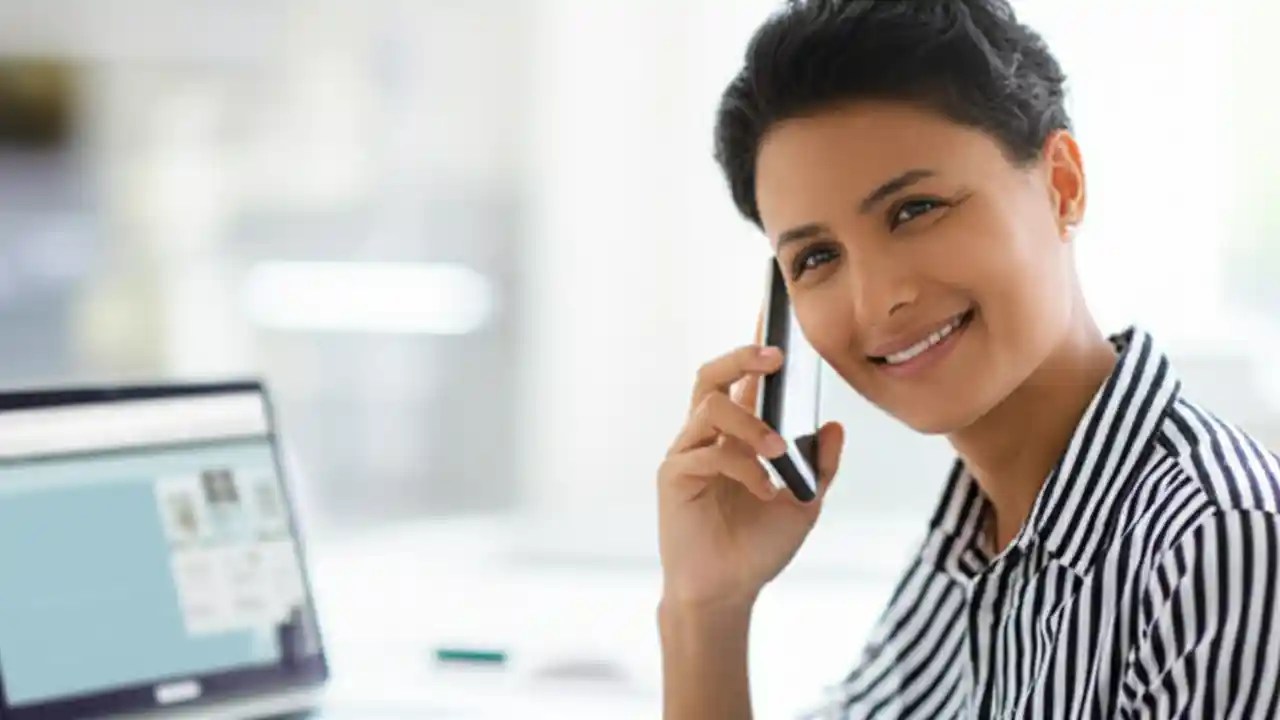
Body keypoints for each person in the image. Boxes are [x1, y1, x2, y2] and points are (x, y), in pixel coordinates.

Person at [655, 1, 1280, 718]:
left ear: (1062, 186)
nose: (877, 300)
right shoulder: (972, 542)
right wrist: (706, 608)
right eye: (817, 257)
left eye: (915, 210)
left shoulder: (1222, 544)